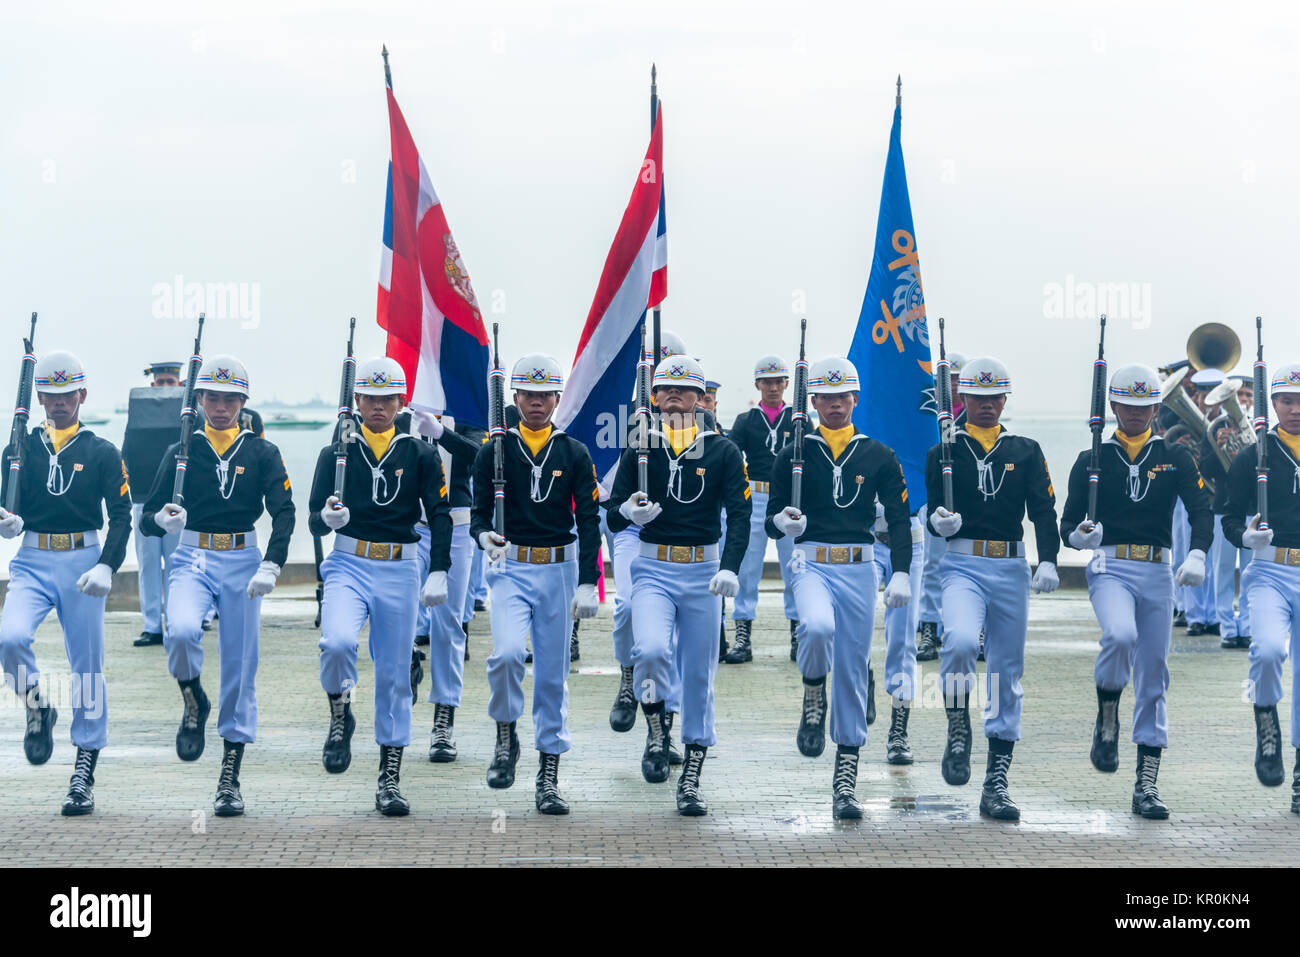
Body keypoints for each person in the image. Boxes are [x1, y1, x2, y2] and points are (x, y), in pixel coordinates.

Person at [140, 354, 295, 817]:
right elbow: (148, 518)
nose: (221, 406)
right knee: (182, 631)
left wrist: (272, 563)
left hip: (243, 557)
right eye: (212, 397)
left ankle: (230, 772)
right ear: (200, 399)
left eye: (230, 398)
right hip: (192, 555)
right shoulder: (181, 451)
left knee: (240, 666)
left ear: (244, 401)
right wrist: (162, 522)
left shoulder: (262, 452)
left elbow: (283, 510)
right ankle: (193, 696)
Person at [1060, 363, 1212, 820]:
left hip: (1157, 570)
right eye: (1126, 405)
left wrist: (1199, 553)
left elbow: (1201, 508)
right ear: (1112, 406)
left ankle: (1146, 783)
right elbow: (1067, 523)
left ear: (1155, 408)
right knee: (1120, 636)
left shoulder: (1175, 457)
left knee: (1154, 673)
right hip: (1109, 566)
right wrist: (1077, 538)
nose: (1135, 413)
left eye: (1144, 406)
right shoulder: (1093, 459)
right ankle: (1108, 710)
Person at [766, 357, 913, 818]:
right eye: (825, 397)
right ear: (812, 402)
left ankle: (845, 776)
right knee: (813, 627)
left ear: (855, 400)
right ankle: (813, 690)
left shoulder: (879, 455)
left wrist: (903, 571)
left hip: (858, 567)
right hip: (809, 562)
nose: (834, 404)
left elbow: (901, 519)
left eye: (842, 396)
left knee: (851, 671)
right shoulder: (794, 451)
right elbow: (770, 521)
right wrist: (781, 521)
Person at [606, 354, 750, 815]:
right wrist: (628, 512)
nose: (674, 396)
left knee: (699, 676)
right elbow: (610, 511)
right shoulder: (640, 448)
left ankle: (691, 772)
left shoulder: (723, 450)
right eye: (666, 389)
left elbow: (742, 514)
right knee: (649, 650)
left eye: (684, 390)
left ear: (699, 399)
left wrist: (729, 566)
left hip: (703, 572)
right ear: (653, 396)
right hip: (652, 568)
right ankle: (655, 730)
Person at [309, 356, 450, 816]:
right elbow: (312, 516)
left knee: (393, 674)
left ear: (400, 401)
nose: (377, 406)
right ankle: (340, 709)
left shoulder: (420, 454)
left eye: (387, 398)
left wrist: (440, 570)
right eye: (369, 397)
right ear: (357, 401)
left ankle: (389, 775)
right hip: (348, 562)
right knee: (336, 643)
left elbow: (441, 514)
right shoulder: (336, 454)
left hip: (399, 567)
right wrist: (326, 519)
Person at [924, 357, 1060, 821]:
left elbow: (1043, 509)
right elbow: (931, 514)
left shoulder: (1025, 449)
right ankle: (958, 723)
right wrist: (938, 521)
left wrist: (1050, 559)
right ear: (962, 399)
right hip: (961, 562)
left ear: (1004, 400)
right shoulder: (943, 450)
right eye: (977, 398)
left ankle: (996, 781)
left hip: (1009, 566)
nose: (985, 405)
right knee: (960, 642)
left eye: (993, 398)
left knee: (1006, 669)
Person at [0, 351, 131, 816]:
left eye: (67, 395)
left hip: (82, 560)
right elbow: (6, 505)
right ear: (38, 397)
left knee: (87, 669)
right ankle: (37, 706)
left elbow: (121, 517)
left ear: (83, 395)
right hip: (33, 558)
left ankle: (84, 771)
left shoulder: (101, 451)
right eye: (50, 396)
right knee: (9, 638)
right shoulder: (18, 449)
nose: (59, 404)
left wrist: (107, 566)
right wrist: (8, 524)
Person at [472, 354, 601, 814]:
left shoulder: (573, 452)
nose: (536, 402)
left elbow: (589, 521)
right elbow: (479, 511)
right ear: (515, 398)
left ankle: (549, 774)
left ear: (556, 398)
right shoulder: (495, 449)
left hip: (558, 569)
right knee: (506, 654)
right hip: (509, 566)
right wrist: (482, 534)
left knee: (552, 675)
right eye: (528, 394)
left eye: (545, 394)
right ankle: (506, 734)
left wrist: (590, 581)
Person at [1221, 362, 1300, 810]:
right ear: (1272, 404)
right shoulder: (1255, 455)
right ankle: (1266, 720)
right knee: (1268, 649)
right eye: (1287, 400)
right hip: (1270, 569)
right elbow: (1230, 515)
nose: (1295, 409)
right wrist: (1245, 538)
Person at [404, 411, 483, 762]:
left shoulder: (466, 408)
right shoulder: (398, 412)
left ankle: (443, 718)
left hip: (455, 525)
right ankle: (407, 661)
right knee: (395, 613)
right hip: (406, 525)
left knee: (447, 624)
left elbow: (481, 458)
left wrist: (441, 433)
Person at [724, 355, 798, 664]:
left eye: (778, 381)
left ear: (786, 384)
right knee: (747, 568)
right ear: (758, 384)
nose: (773, 387)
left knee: (794, 567)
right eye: (766, 381)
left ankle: (798, 631)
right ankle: (743, 635)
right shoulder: (746, 420)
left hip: (788, 498)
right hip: (754, 495)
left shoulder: (799, 418)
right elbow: (729, 455)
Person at [122, 360, 183, 647]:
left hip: (175, 499)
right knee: (148, 562)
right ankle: (151, 625)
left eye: (171, 382)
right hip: (142, 496)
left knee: (175, 562)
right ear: (152, 385)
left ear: (180, 385)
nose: (165, 387)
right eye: (161, 382)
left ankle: (175, 622)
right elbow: (128, 452)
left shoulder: (187, 417)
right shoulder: (139, 416)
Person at [916, 351, 965, 662]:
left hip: (968, 497)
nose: (949, 385)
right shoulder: (925, 414)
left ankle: (973, 630)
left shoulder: (974, 415)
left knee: (968, 565)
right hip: (933, 497)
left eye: (956, 379)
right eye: (943, 380)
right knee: (932, 566)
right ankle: (930, 629)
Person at [1211, 376, 1254, 649]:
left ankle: (1248, 627)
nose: (1245, 401)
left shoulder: (1263, 433)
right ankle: (1227, 628)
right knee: (1223, 570)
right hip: (1223, 509)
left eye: (1249, 395)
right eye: (1240, 396)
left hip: (1255, 511)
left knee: (1252, 572)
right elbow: (1205, 470)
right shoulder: (1215, 429)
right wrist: (1218, 448)